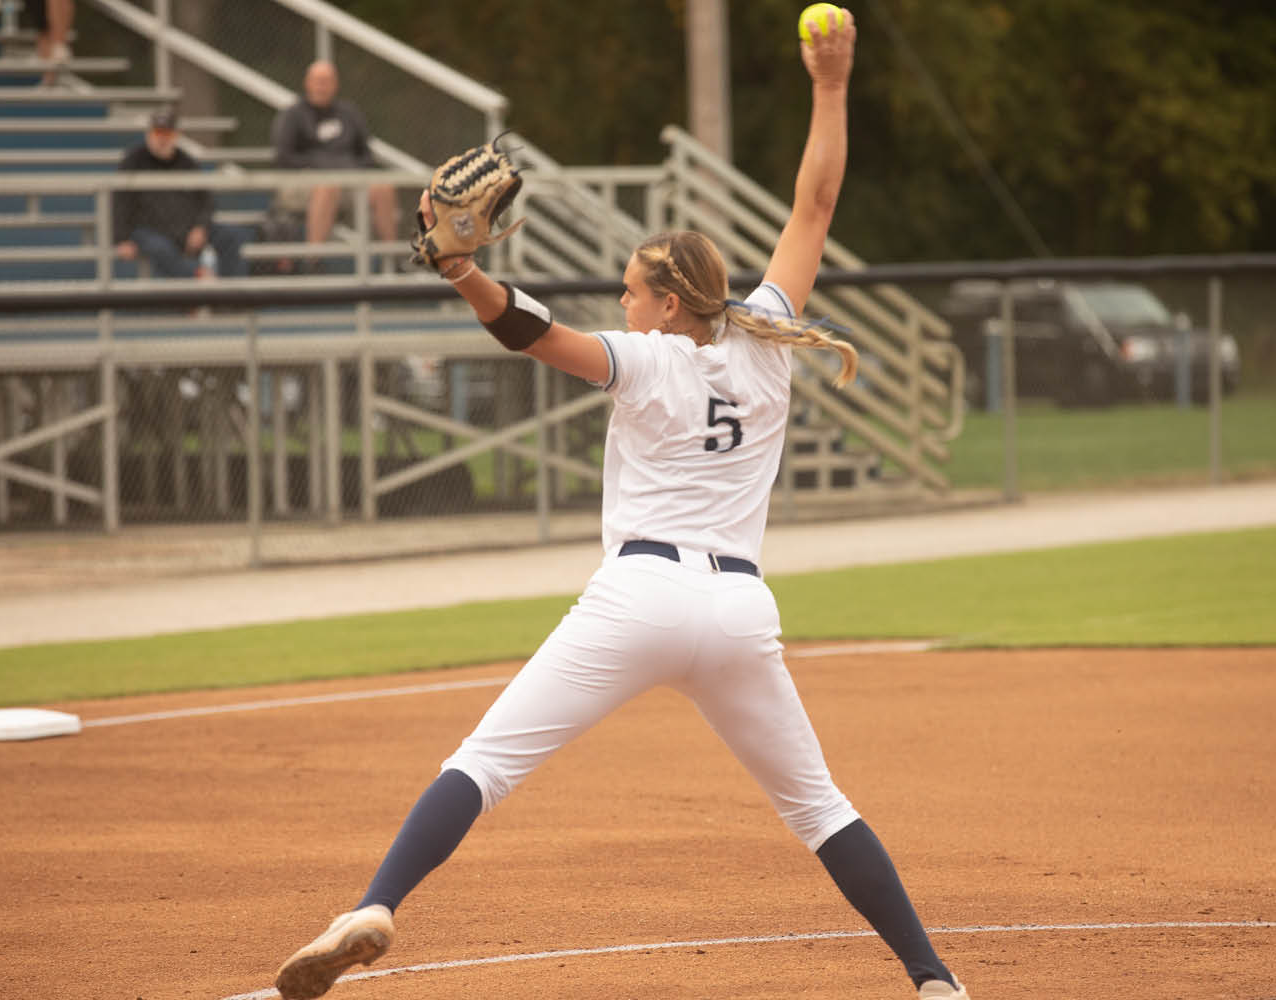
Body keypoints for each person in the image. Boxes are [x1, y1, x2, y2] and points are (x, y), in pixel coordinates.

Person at [272, 9, 967, 1000]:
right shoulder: (765, 338)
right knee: (819, 809)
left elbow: (532, 332)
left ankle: (375, 905)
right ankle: (935, 981)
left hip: (638, 598)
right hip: (739, 612)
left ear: (670, 304)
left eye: (635, 291)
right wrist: (829, 84)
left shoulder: (644, 358)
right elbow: (814, 206)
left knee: (485, 762)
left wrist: (463, 269)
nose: (625, 302)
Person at [271, 60, 400, 269]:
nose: (322, 86)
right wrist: (321, 164)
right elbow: (284, 158)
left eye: (327, 81)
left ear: (335, 84)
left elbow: (366, 156)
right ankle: (313, 262)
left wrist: (348, 167)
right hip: (304, 182)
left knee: (383, 187)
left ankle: (391, 261)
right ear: (307, 83)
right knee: (328, 186)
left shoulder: (349, 114)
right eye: (317, 81)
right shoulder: (293, 115)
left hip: (348, 179)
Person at [112, 108, 248, 280]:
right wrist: (121, 239)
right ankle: (199, 277)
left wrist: (200, 227)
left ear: (176, 135)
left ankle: (232, 291)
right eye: (158, 133)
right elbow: (119, 202)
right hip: (148, 230)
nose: (162, 139)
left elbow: (206, 200)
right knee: (161, 249)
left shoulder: (187, 162)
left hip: (187, 228)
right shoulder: (133, 161)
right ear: (149, 135)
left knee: (230, 236)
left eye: (167, 134)